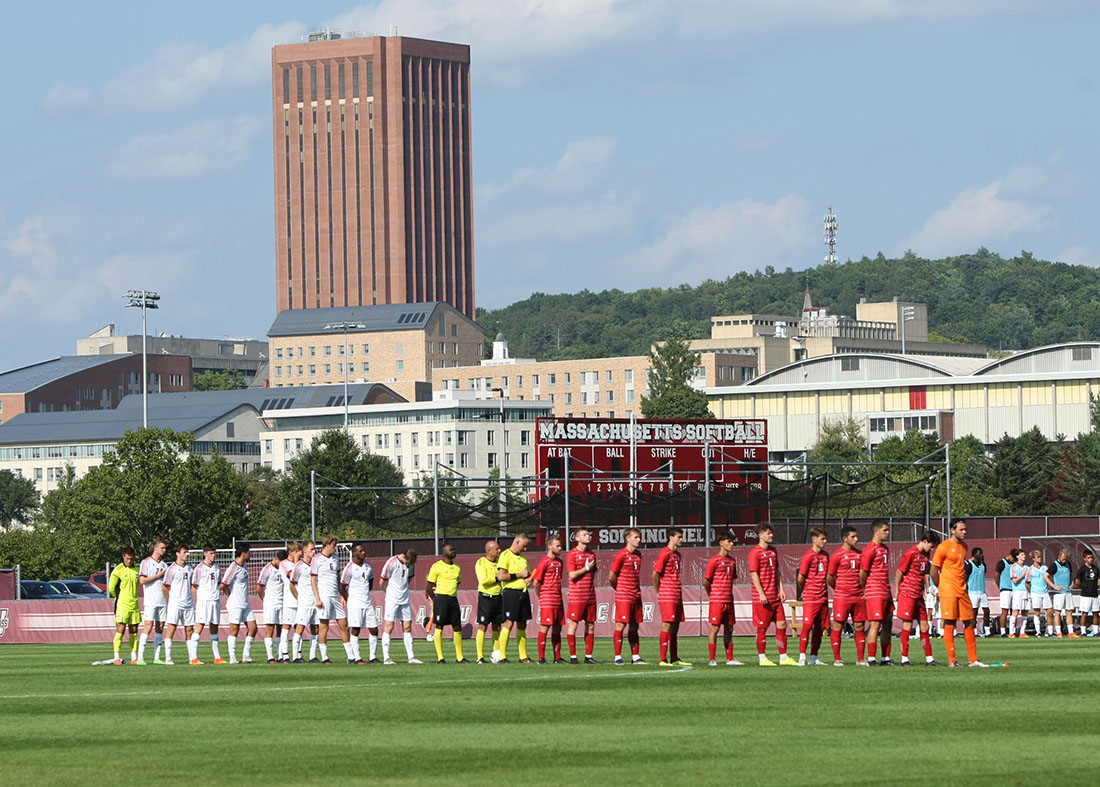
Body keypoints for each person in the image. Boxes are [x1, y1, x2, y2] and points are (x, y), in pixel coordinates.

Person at [930, 518, 987, 667]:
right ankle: (952, 660)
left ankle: (973, 659)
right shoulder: (943, 547)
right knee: (950, 622)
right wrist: (940, 585)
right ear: (952, 530)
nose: (964, 532)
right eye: (961, 529)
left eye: (965, 529)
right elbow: (934, 570)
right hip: (948, 590)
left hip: (962, 590)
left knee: (970, 621)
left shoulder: (964, 546)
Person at [749, 523, 795, 666]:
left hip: (775, 597)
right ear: (760, 535)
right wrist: (761, 593)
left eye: (771, 533)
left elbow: (777, 571)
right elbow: (754, 574)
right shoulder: (755, 553)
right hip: (763, 598)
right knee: (762, 627)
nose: (771, 535)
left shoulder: (773, 551)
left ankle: (783, 657)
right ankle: (762, 658)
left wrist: (782, 589)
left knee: (782, 624)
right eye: (768, 533)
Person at [895, 531, 942, 666]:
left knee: (925, 625)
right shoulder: (910, 553)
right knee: (907, 625)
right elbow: (899, 572)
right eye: (931, 546)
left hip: (918, 595)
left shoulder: (926, 555)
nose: (931, 550)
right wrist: (898, 590)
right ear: (925, 541)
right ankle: (904, 659)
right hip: (907, 594)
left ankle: (929, 659)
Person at [827, 525, 866, 666]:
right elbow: (830, 576)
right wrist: (838, 588)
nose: (856, 539)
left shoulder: (860, 554)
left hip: (858, 596)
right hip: (842, 596)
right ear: (845, 539)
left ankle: (861, 659)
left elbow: (864, 575)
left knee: (860, 626)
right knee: (838, 625)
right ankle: (837, 658)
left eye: (856, 536)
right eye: (853, 537)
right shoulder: (837, 555)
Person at [312, 535, 353, 664]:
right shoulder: (317, 559)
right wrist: (317, 598)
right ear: (328, 544)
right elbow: (313, 580)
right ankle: (325, 657)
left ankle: (351, 656)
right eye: (334, 545)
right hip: (324, 597)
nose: (336, 548)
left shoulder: (335, 558)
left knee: (344, 625)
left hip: (335, 596)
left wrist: (342, 595)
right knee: (324, 626)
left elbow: (338, 577)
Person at [860, 519, 894, 666]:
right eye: (885, 530)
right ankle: (871, 658)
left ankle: (886, 658)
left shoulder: (885, 549)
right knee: (875, 624)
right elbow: (863, 573)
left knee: (888, 623)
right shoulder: (869, 549)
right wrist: (865, 589)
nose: (888, 532)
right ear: (876, 531)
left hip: (886, 590)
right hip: (875, 590)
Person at [654, 528, 690, 666]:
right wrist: (659, 590)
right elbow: (655, 574)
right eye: (679, 537)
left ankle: (674, 657)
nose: (681, 539)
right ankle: (663, 659)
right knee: (667, 624)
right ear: (671, 538)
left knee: (675, 626)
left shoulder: (677, 555)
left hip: (677, 593)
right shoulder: (664, 553)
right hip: (667, 593)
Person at [704, 533, 741, 666]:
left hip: (729, 600)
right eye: (729, 541)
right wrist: (712, 595)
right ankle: (712, 659)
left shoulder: (732, 561)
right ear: (721, 543)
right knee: (715, 629)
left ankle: (729, 658)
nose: (732, 544)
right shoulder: (714, 560)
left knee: (729, 628)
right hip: (717, 600)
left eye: (732, 541)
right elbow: (707, 581)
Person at [609, 528, 645, 665]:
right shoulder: (621, 555)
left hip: (636, 594)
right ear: (628, 539)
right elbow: (612, 577)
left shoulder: (638, 555)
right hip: (624, 594)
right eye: (636, 537)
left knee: (634, 625)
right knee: (621, 624)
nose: (639, 540)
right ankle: (617, 657)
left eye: (639, 537)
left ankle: (635, 656)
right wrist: (619, 589)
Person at [425, 543, 465, 663]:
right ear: (444, 553)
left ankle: (460, 657)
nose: (453, 551)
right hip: (441, 599)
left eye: (453, 549)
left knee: (457, 626)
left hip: (453, 598)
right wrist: (435, 599)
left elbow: (458, 582)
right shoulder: (436, 566)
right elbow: (429, 585)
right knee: (439, 625)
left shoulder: (457, 567)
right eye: (451, 550)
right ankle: (440, 657)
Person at [497, 534, 534, 663]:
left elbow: (528, 574)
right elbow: (501, 576)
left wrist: (529, 579)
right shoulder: (505, 555)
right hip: (510, 593)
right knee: (509, 622)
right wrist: (520, 575)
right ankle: (502, 656)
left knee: (522, 623)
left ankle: (522, 656)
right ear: (517, 542)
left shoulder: (523, 558)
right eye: (524, 546)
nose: (525, 549)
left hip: (523, 593)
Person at [796, 527, 830, 666]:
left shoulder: (826, 556)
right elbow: (800, 578)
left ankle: (813, 658)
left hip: (823, 598)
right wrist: (807, 591)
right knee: (807, 625)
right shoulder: (808, 556)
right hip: (811, 598)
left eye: (825, 539)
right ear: (814, 539)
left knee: (820, 628)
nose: (825, 541)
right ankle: (802, 657)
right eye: (822, 539)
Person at [381, 549, 421, 664]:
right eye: (408, 562)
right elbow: (382, 580)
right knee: (389, 626)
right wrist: (387, 593)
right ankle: (386, 658)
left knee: (407, 627)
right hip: (392, 600)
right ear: (403, 556)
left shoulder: (410, 564)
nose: (409, 565)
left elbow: (407, 580)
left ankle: (411, 657)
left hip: (405, 599)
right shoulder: (391, 563)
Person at [341, 542, 379, 663]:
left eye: (364, 550)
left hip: (367, 602)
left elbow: (371, 581)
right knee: (356, 629)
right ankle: (357, 657)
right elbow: (342, 586)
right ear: (354, 553)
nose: (364, 553)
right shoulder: (349, 568)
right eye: (361, 551)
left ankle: (372, 657)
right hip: (355, 603)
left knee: (374, 629)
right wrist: (348, 598)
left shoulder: (368, 567)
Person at [565, 528, 599, 664]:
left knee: (590, 625)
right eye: (585, 534)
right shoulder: (572, 554)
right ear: (578, 538)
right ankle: (573, 656)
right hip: (577, 596)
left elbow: (594, 572)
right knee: (573, 624)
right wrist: (586, 569)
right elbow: (572, 575)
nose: (588, 536)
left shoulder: (591, 554)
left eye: (588, 534)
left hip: (590, 595)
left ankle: (588, 656)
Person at [220, 542, 257, 664]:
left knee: (253, 628)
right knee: (234, 629)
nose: (250, 554)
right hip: (235, 604)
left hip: (245, 603)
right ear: (243, 553)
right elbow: (223, 584)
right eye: (249, 552)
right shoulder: (233, 567)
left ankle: (246, 655)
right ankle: (233, 657)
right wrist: (230, 595)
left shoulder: (245, 565)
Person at [531, 536, 565, 664]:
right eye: (557, 546)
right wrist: (542, 596)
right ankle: (541, 658)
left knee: (558, 627)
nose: (560, 548)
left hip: (558, 598)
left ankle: (557, 657)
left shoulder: (560, 562)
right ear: (550, 546)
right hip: (547, 598)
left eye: (560, 545)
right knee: (545, 626)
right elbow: (536, 583)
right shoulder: (544, 562)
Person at [161, 545, 198, 665]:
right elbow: (165, 587)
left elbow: (192, 586)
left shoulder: (190, 568)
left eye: (187, 552)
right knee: (171, 629)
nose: (187, 554)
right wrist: (171, 601)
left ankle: (192, 658)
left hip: (188, 604)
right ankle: (168, 658)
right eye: (185, 552)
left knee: (189, 630)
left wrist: (193, 600)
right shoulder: (171, 569)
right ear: (178, 553)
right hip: (175, 604)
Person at [108, 547, 142, 665]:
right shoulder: (118, 570)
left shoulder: (137, 570)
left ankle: (134, 657)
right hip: (122, 604)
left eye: (131, 559)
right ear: (123, 557)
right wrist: (118, 597)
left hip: (134, 604)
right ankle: (116, 656)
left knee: (134, 631)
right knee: (120, 630)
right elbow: (111, 588)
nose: (129, 561)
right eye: (127, 559)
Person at [136, 540, 168, 665]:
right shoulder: (146, 562)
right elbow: (142, 580)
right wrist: (157, 576)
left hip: (162, 600)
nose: (164, 550)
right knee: (148, 627)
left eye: (165, 548)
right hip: (150, 601)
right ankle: (140, 657)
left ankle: (157, 657)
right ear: (155, 547)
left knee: (160, 628)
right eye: (162, 548)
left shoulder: (164, 565)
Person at [192, 544, 224, 664]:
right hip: (203, 601)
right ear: (205, 553)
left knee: (214, 627)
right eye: (211, 553)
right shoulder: (199, 568)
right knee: (199, 626)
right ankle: (193, 657)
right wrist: (197, 601)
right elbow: (194, 586)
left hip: (215, 600)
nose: (213, 555)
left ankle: (217, 657)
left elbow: (218, 583)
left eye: (214, 553)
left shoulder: (217, 567)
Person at [474, 540, 503, 664]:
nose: (499, 551)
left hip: (498, 597)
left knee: (497, 626)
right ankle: (480, 657)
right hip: (486, 597)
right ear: (489, 550)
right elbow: (484, 580)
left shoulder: (499, 563)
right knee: (483, 626)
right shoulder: (481, 562)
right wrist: (497, 578)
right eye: (497, 549)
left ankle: (496, 654)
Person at [290, 540, 318, 662]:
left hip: (315, 602)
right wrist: (299, 598)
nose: (314, 551)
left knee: (315, 628)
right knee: (300, 628)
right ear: (305, 550)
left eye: (314, 549)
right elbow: (292, 585)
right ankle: (296, 656)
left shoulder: (316, 564)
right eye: (311, 549)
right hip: (304, 602)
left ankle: (313, 656)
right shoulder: (299, 566)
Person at [256, 549, 286, 663]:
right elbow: (259, 587)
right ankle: (270, 656)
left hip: (282, 603)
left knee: (281, 629)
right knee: (270, 629)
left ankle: (280, 655)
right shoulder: (267, 569)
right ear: (277, 559)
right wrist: (265, 599)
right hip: (271, 603)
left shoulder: (283, 569)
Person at [278, 542, 301, 661]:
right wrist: (297, 561)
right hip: (289, 600)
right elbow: (293, 576)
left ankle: (297, 654)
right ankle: (284, 655)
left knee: (299, 627)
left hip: (301, 600)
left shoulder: (300, 564)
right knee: (286, 626)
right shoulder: (284, 564)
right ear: (291, 552)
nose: (299, 554)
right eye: (297, 552)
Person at [1025, 550, 1053, 637]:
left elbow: (1049, 578)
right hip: (1035, 593)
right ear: (1034, 558)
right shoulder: (1030, 569)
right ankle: (1038, 632)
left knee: (1050, 611)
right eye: (1038, 557)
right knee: (1037, 612)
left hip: (1045, 592)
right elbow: (1027, 583)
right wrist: (1032, 592)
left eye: (1040, 556)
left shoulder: (1045, 568)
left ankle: (1050, 631)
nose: (1040, 558)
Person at [995, 548, 1021, 638]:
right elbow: (997, 575)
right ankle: (1003, 631)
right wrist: (1000, 586)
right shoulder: (1002, 563)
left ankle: (1012, 631)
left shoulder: (1015, 564)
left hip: (1014, 589)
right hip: (1005, 589)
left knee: (1014, 611)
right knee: (1004, 611)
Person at [966, 548, 991, 637]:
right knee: (974, 612)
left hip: (982, 592)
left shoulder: (983, 564)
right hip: (972, 592)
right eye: (979, 553)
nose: (981, 555)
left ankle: (988, 632)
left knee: (987, 611)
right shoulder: (969, 565)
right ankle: (974, 632)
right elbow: (965, 579)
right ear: (974, 555)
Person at [1048, 549, 1074, 637]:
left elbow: (1071, 574)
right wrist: (1054, 586)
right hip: (1059, 593)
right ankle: (1058, 632)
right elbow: (1046, 576)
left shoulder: (1068, 564)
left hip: (1067, 592)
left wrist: (1072, 583)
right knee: (1058, 611)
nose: (1064, 560)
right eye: (1063, 558)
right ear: (1059, 557)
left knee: (1069, 611)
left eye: (1065, 558)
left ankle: (1071, 632)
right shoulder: (1054, 565)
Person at [1074, 550, 1099, 636]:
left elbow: (1098, 581)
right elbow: (1077, 582)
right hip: (1085, 595)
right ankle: (1083, 631)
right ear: (1085, 559)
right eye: (1088, 558)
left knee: (1096, 613)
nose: (1091, 559)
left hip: (1094, 595)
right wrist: (1084, 587)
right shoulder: (1082, 569)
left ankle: (1096, 632)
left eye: (1091, 557)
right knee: (1084, 613)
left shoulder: (1096, 568)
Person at [1008, 549, 1030, 637]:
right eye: (1022, 554)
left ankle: (1022, 632)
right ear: (1017, 556)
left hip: (1026, 592)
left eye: (1024, 554)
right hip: (1017, 592)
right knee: (1016, 612)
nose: (1024, 556)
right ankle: (1011, 632)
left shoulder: (1027, 567)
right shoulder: (1014, 567)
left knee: (1025, 612)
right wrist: (1023, 575)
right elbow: (1015, 581)